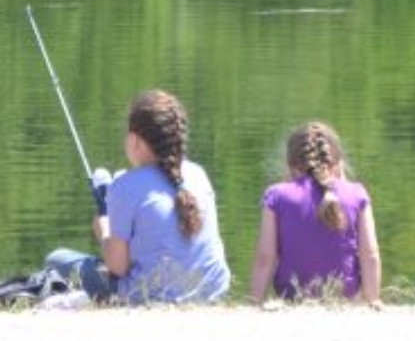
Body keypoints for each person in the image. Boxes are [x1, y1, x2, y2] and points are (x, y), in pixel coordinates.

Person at [44, 89, 231, 304]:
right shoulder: (199, 174)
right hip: (213, 291)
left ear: (134, 140)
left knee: (56, 259)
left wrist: (103, 231)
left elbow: (117, 266)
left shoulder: (125, 186)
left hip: (147, 297)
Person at [248, 121, 381, 305]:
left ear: (290, 164)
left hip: (292, 295)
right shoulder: (357, 193)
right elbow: (370, 254)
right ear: (337, 163)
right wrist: (373, 300)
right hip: (344, 295)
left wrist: (255, 301)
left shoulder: (276, 195)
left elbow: (265, 257)